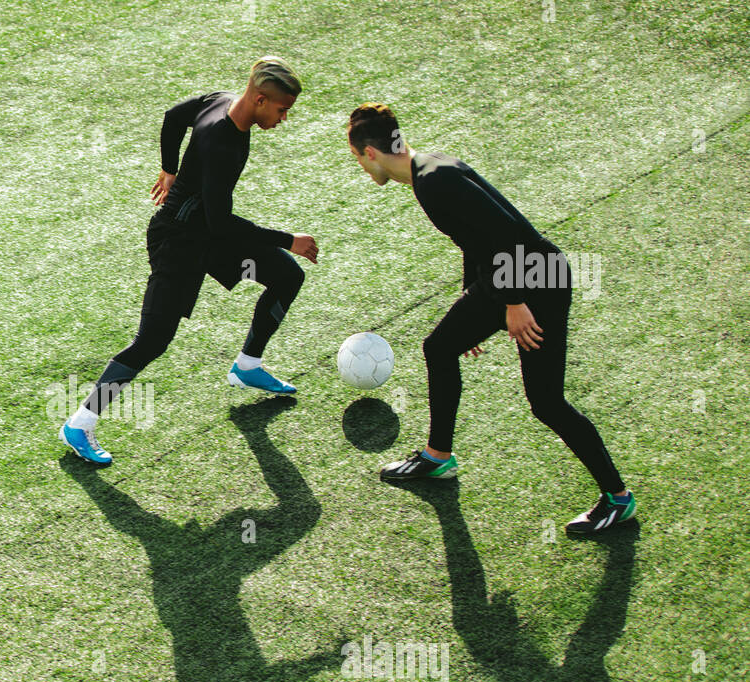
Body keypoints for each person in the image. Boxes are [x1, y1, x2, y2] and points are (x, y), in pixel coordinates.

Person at [346, 102, 635, 534]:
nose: (363, 170)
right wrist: (472, 304)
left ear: (370, 152)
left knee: (547, 401)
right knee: (440, 347)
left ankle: (617, 499)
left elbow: (504, 234)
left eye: (357, 160)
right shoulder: (432, 166)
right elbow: (475, 240)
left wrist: (513, 304)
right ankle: (437, 457)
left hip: (537, 281)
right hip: (518, 276)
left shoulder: (433, 182)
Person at [59, 57, 319, 465]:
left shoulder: (221, 101)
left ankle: (247, 365)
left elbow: (172, 118)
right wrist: (288, 239)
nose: (284, 118)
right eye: (282, 110)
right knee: (152, 341)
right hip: (180, 241)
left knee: (287, 276)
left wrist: (169, 169)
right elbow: (222, 223)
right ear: (261, 98)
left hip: (208, 233)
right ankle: (80, 422)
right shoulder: (224, 141)